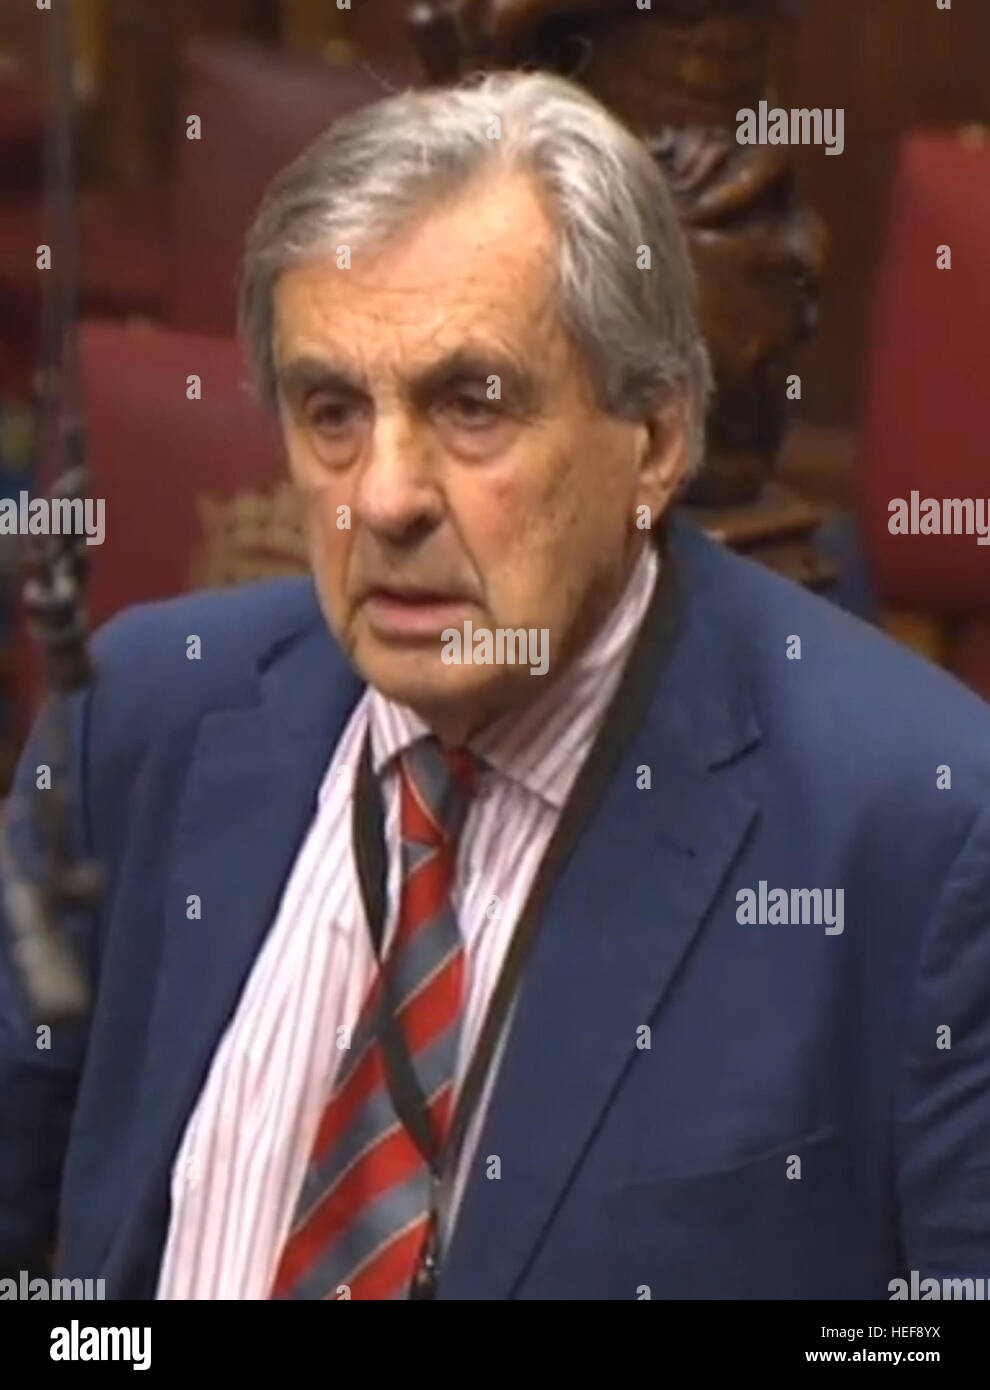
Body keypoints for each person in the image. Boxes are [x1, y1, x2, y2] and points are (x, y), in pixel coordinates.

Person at [2, 69, 989, 1301]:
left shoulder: (920, 831)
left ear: (659, 437)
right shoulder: (139, 721)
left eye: (473, 405)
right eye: (332, 412)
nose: (389, 496)